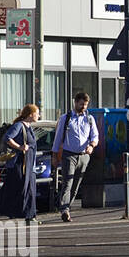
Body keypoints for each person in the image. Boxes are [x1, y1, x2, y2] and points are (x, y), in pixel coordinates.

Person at [52, 91, 99, 223]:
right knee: (67, 182)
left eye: (85, 105)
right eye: (81, 104)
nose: (83, 107)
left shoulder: (89, 119)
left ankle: (67, 206)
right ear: (75, 103)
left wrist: (92, 145)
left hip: (84, 155)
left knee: (76, 184)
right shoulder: (66, 118)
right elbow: (58, 138)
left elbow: (95, 136)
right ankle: (64, 210)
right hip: (69, 155)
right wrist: (55, 156)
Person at [0, 104, 40, 223]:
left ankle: (30, 215)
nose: (39, 115)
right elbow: (8, 138)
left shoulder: (29, 127)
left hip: (29, 163)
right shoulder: (19, 126)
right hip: (20, 163)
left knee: (31, 189)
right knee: (16, 188)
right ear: (31, 114)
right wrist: (20, 147)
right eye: (37, 113)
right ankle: (1, 212)